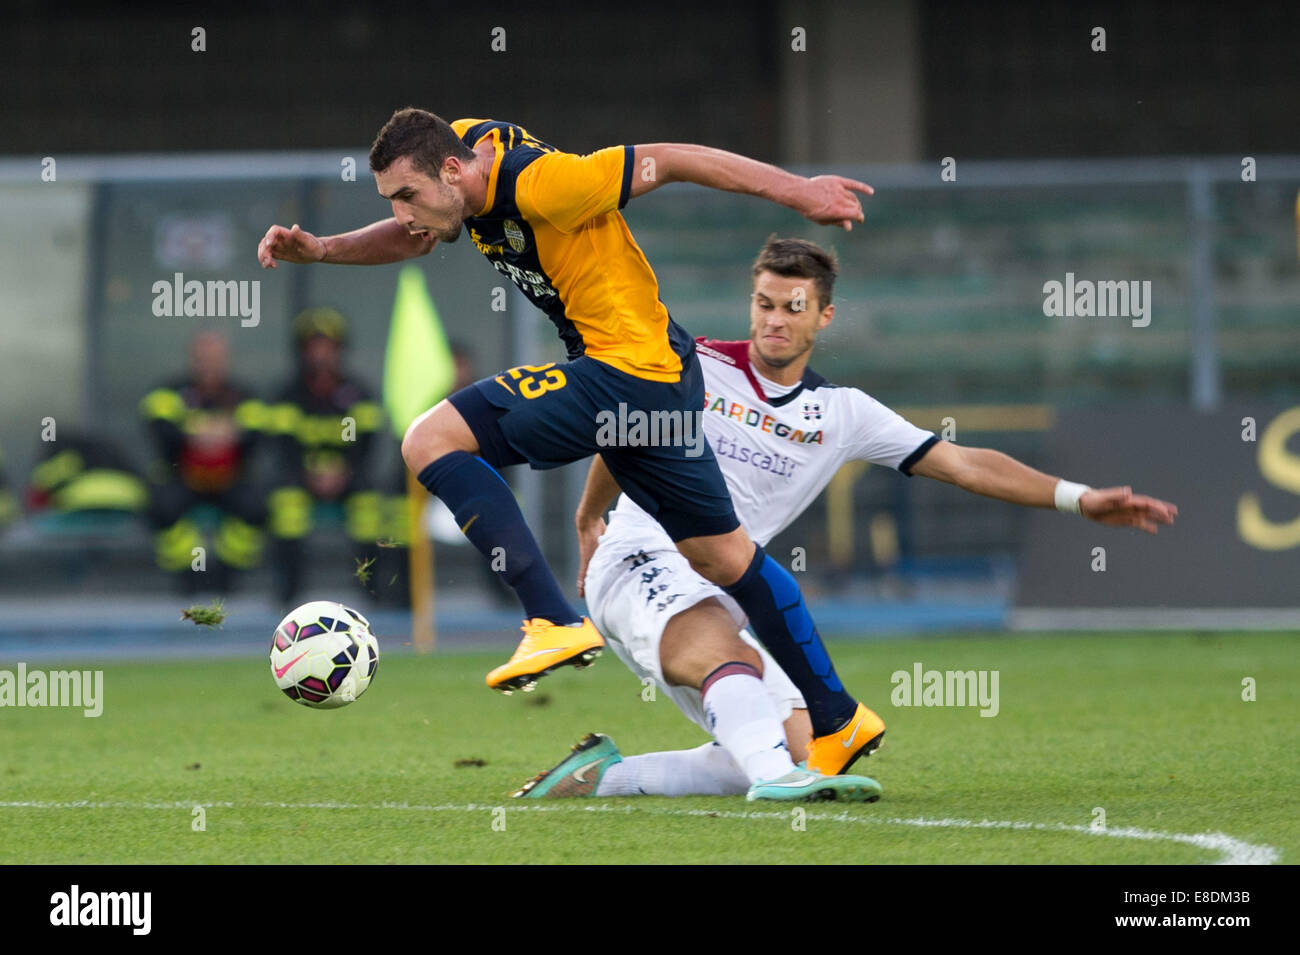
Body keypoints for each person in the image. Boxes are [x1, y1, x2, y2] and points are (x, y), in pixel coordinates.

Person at [257, 108, 906, 773]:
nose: (403, 213)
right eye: (393, 199)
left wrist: (801, 193)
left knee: (430, 438)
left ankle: (551, 618)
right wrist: (328, 249)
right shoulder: (456, 160)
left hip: (620, 371)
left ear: (453, 170)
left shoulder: (549, 183)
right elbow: (416, 237)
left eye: (407, 196)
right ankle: (838, 717)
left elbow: (671, 156)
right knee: (725, 556)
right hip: (667, 378)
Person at [513, 237, 1178, 800]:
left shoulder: (843, 413)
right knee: (729, 662)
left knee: (801, 742)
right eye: (764, 303)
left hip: (727, 590)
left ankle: (606, 777)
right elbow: (629, 433)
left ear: (824, 315)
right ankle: (777, 785)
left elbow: (965, 464)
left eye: (793, 307)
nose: (774, 320)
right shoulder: (696, 367)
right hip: (641, 561)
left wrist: (1078, 497)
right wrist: (588, 516)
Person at [264, 308, 385, 603]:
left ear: (340, 349)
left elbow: (367, 446)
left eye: (328, 346)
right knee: (286, 506)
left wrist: (345, 474)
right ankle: (288, 595)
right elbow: (283, 448)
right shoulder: (287, 395)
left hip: (349, 479)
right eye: (313, 346)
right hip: (300, 479)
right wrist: (309, 475)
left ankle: (371, 590)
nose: (320, 354)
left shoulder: (358, 393)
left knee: (369, 505)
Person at [139, 330, 267, 593]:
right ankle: (188, 575)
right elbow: (158, 427)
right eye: (203, 358)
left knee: (256, 507)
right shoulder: (170, 393)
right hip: (184, 477)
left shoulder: (243, 395)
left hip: (230, 479)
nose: (209, 364)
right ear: (192, 359)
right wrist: (197, 434)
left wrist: (229, 435)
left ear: (226, 360)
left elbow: (257, 433)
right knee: (161, 507)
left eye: (216, 358)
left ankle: (227, 575)